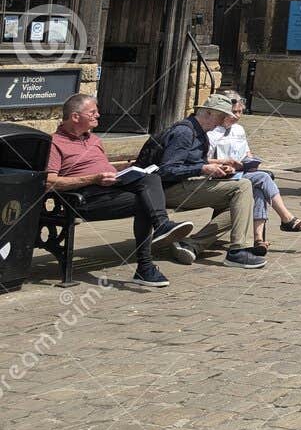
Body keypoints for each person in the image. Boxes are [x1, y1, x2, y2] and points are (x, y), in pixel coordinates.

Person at [46, 94, 193, 287]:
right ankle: (146, 266)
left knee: (150, 178)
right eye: (92, 112)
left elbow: (101, 167)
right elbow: (49, 182)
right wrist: (93, 179)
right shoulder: (54, 143)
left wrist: (125, 171)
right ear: (75, 116)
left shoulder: (94, 139)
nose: (98, 115)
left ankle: (162, 227)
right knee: (145, 201)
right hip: (84, 199)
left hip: (110, 189)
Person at [157, 94, 263, 269]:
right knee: (243, 186)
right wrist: (203, 169)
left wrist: (220, 165)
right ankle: (238, 250)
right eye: (221, 117)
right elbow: (167, 170)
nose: (222, 122)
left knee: (243, 201)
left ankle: (191, 244)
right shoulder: (185, 132)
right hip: (169, 189)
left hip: (187, 185)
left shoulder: (200, 133)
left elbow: (194, 161)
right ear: (208, 113)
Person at [208, 91, 301, 252]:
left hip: (240, 173)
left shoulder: (239, 130)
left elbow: (246, 152)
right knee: (263, 178)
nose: (237, 116)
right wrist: (223, 164)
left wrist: (251, 160)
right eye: (233, 112)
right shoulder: (212, 132)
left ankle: (258, 240)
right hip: (218, 178)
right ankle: (286, 219)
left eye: (240, 112)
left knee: (258, 189)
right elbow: (204, 160)